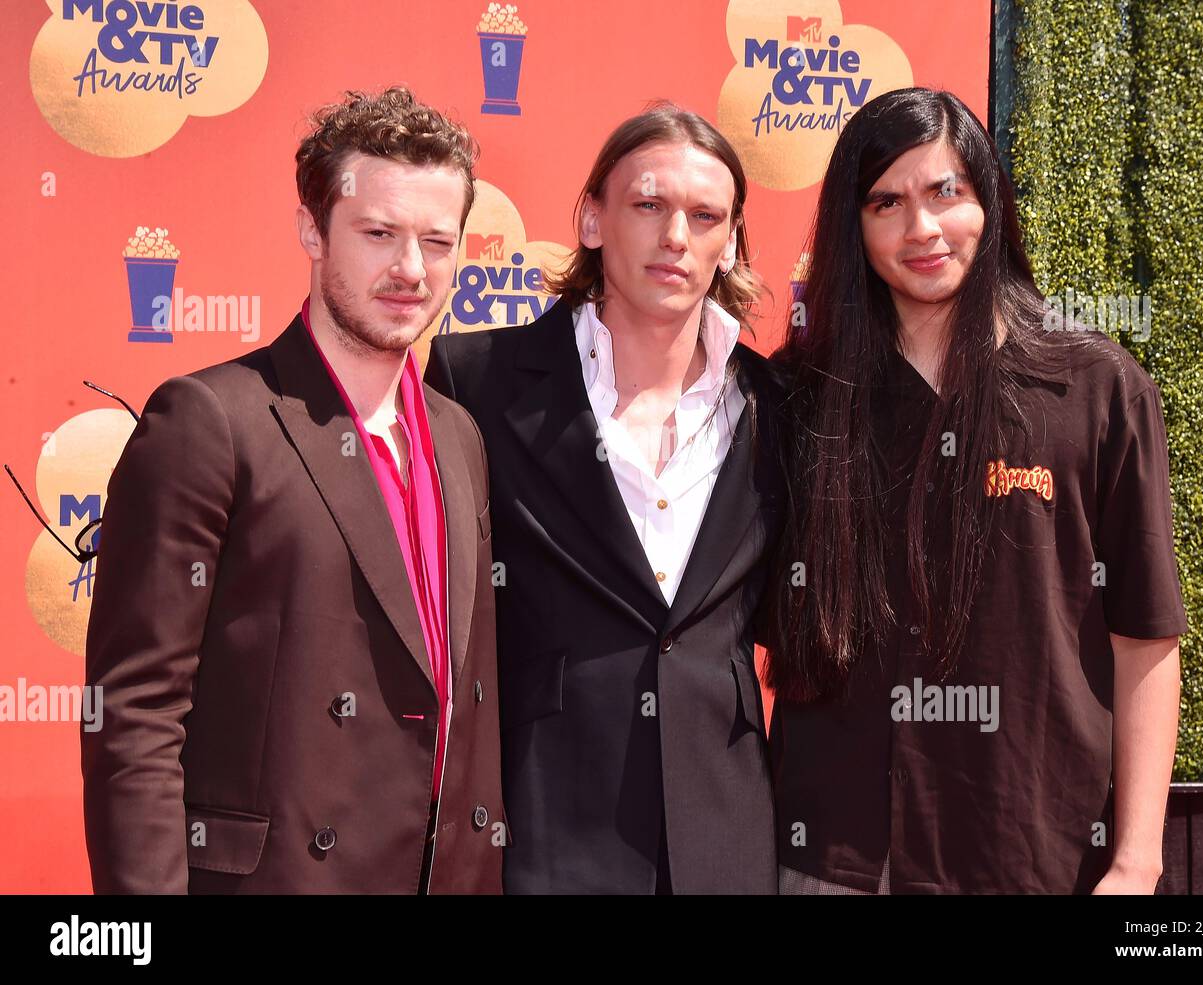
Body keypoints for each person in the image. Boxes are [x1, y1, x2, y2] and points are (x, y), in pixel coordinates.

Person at [83, 87, 504, 893]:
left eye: (437, 241)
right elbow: (133, 714)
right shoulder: (210, 419)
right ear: (312, 229)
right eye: (378, 233)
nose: (411, 269)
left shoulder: (460, 436)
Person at [767, 87, 1186, 894]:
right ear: (853, 228)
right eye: (886, 201)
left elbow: (1147, 639)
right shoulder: (800, 395)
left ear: (989, 200)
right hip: (834, 857)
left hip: (1034, 852)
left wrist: (1136, 859)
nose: (920, 228)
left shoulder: (1096, 388)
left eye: (944, 193)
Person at [426, 104, 784, 893]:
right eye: (648, 205)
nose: (676, 237)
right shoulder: (476, 382)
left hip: (724, 842)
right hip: (543, 828)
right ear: (592, 218)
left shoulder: (777, 405)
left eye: (705, 215)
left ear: (730, 243)